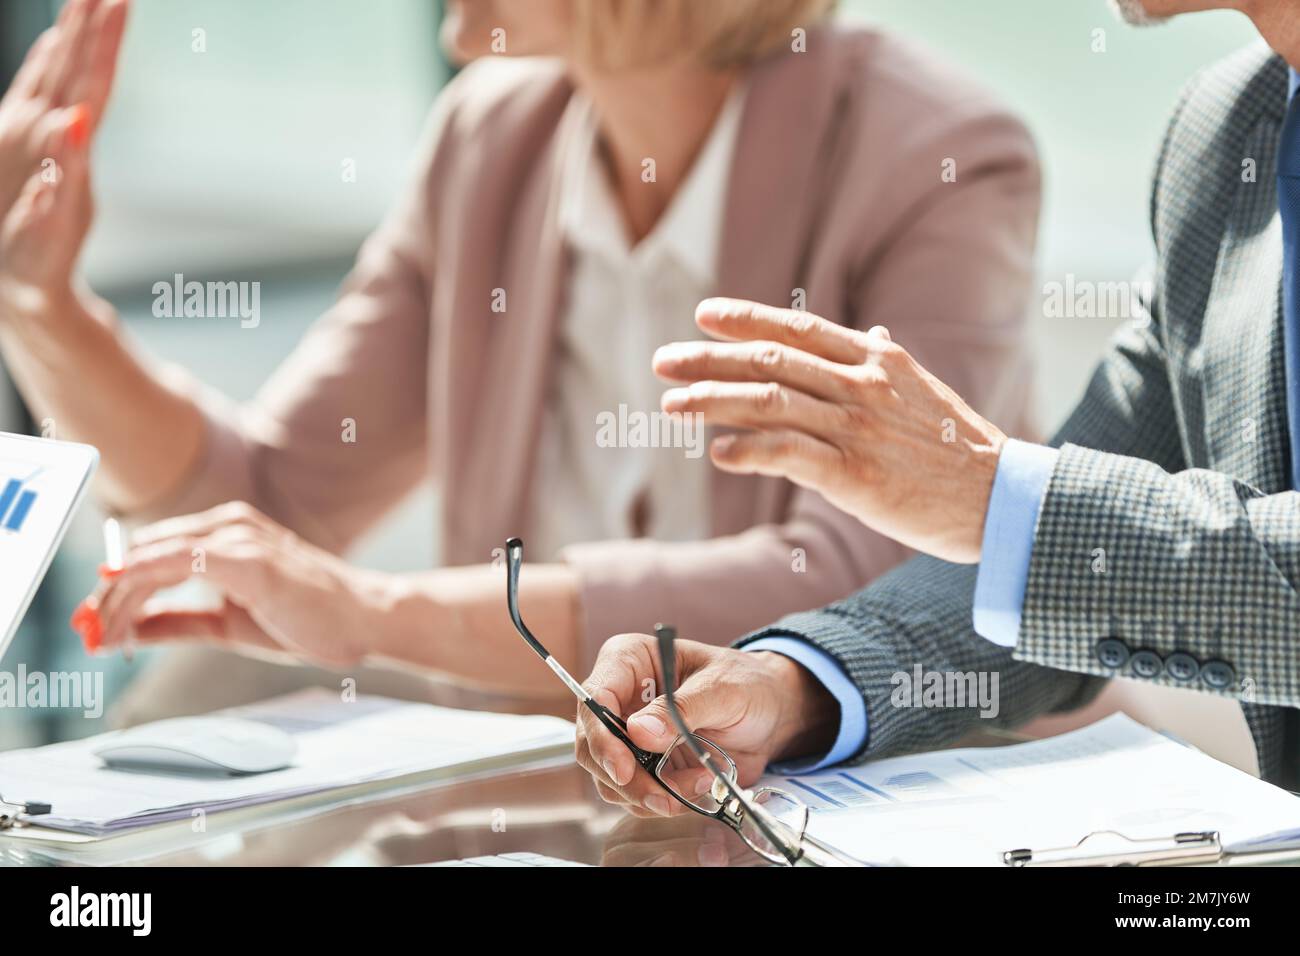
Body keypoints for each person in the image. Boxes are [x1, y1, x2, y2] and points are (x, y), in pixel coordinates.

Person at [0, 0, 1043, 714]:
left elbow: (864, 586)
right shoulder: (490, 142)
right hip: (545, 783)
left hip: (826, 799)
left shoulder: (934, 155)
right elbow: (272, 501)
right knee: (210, 684)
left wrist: (372, 613)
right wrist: (38, 301)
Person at [575, 0, 1300, 816]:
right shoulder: (1230, 132)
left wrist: (998, 497)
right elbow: (1059, 567)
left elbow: (1045, 529)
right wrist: (794, 685)